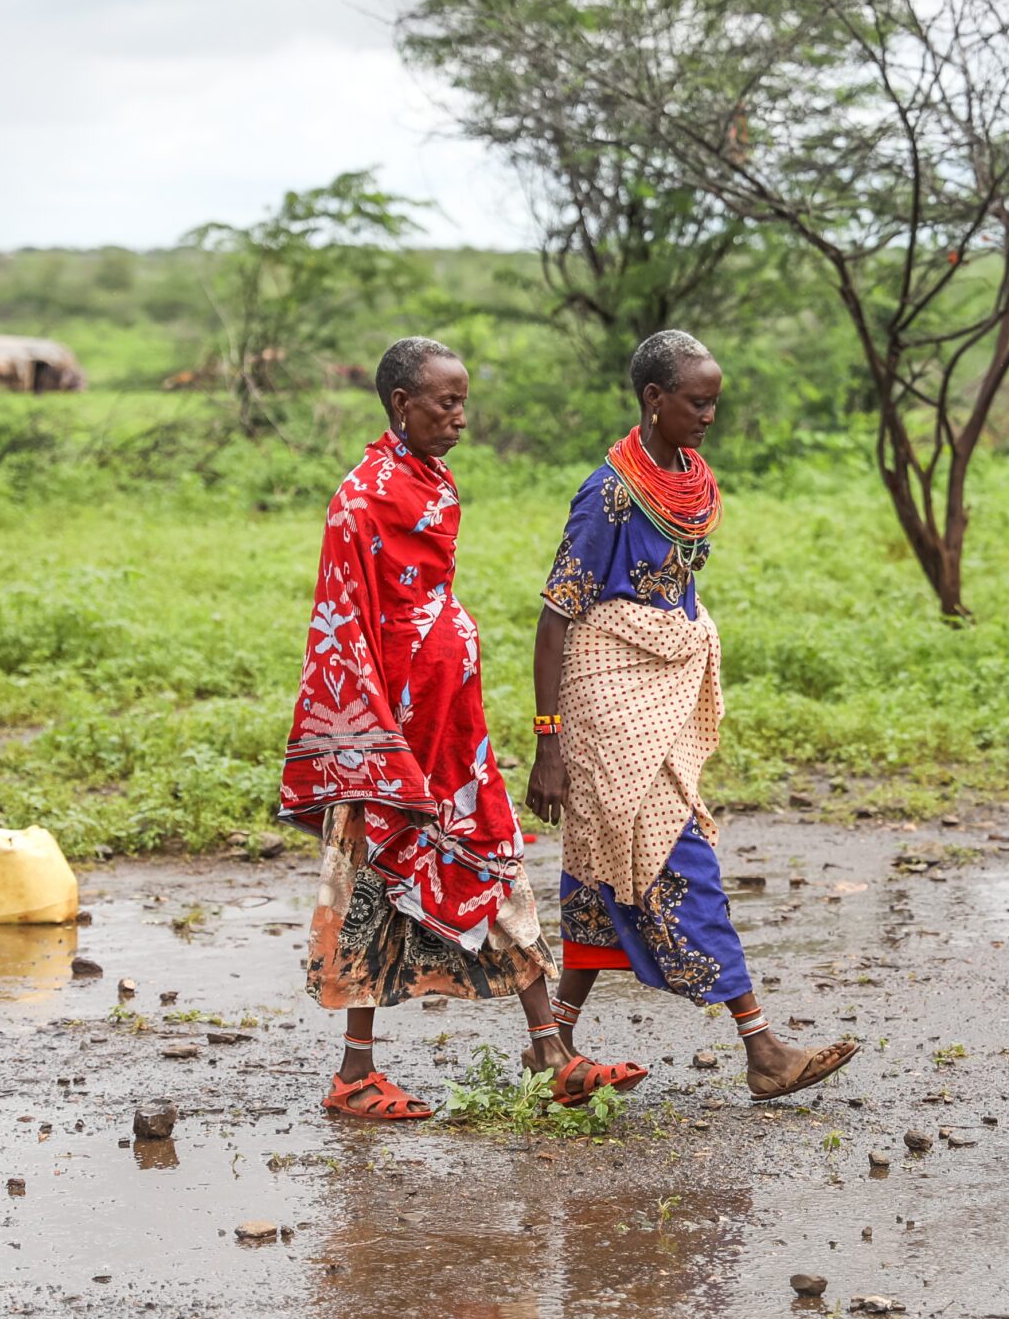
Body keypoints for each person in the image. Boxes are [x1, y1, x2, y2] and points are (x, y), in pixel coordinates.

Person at [280, 337, 644, 1121]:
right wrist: (375, 746)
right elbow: (341, 626)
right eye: (446, 403)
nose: (462, 418)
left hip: (454, 732)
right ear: (402, 404)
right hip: (388, 740)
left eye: (463, 401)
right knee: (371, 888)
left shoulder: (432, 483)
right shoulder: (363, 498)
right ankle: (355, 1074)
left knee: (494, 868)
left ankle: (551, 1050)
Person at [523, 330, 858, 1103]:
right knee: (680, 857)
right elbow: (554, 619)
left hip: (663, 685)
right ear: (653, 398)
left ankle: (556, 1044)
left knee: (607, 864)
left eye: (714, 401)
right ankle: (763, 1047)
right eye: (696, 401)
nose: (709, 414)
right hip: (608, 694)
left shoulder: (688, 482)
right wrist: (550, 743)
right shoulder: (606, 496)